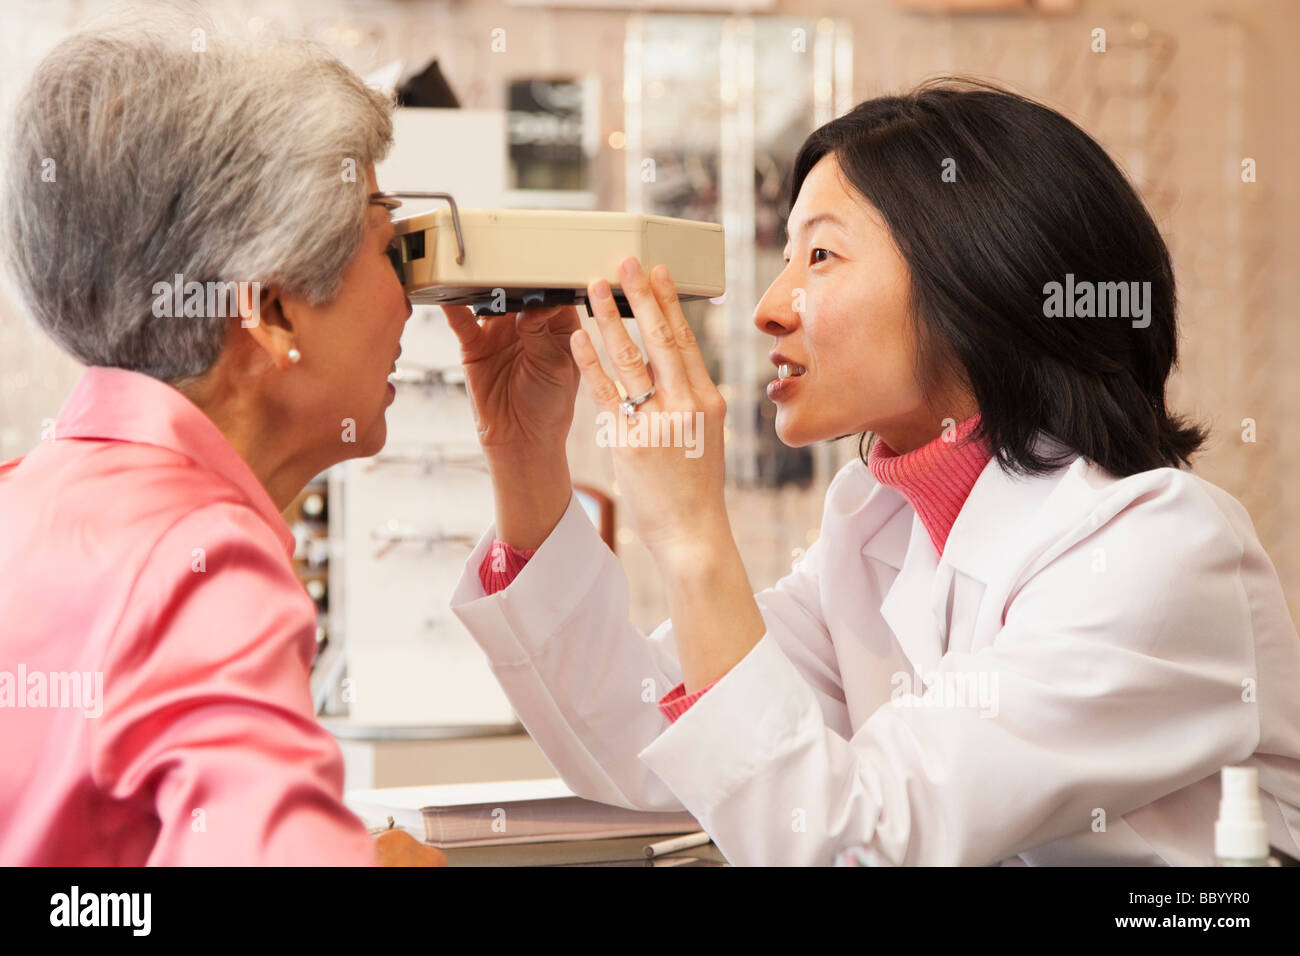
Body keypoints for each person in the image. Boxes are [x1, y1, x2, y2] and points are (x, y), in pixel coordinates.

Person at [443, 79, 1300, 866]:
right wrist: (524, 458)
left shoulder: (1161, 550)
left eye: (820, 257)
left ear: (978, 280)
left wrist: (693, 534)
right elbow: (643, 752)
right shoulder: (878, 524)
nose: (770, 306)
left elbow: (856, 846)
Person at [0, 17, 443, 865]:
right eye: (390, 254)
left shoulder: (21, 499)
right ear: (273, 310)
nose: (409, 301)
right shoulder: (204, 562)